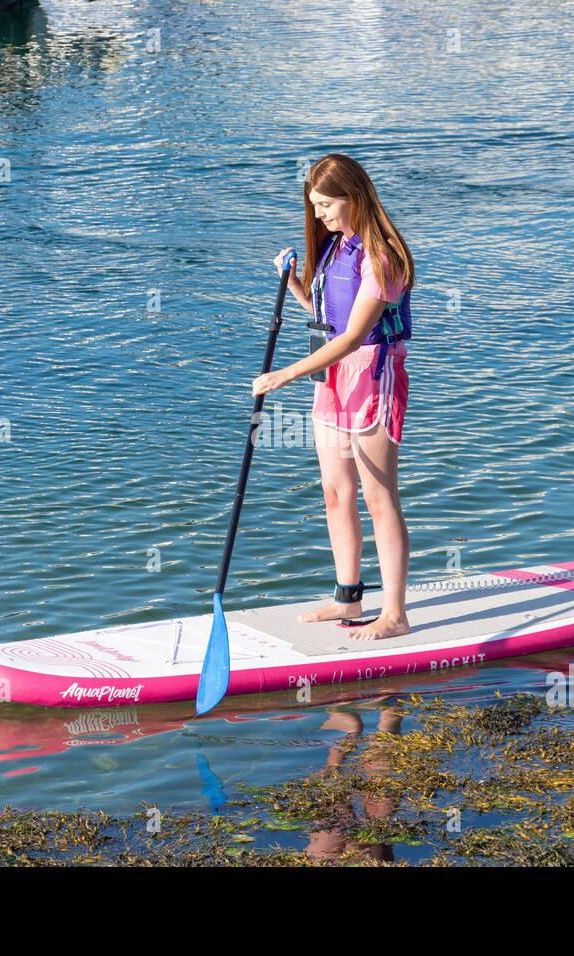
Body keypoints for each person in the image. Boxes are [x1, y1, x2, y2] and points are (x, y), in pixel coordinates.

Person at [251, 153, 414, 640]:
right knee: (335, 492)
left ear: (354, 196)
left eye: (326, 204)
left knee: (377, 495)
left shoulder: (381, 254)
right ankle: (349, 599)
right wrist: (295, 282)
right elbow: (328, 319)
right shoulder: (337, 246)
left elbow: (354, 336)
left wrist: (284, 375)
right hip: (332, 377)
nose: (319, 213)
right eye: (314, 205)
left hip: (371, 373)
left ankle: (396, 614)